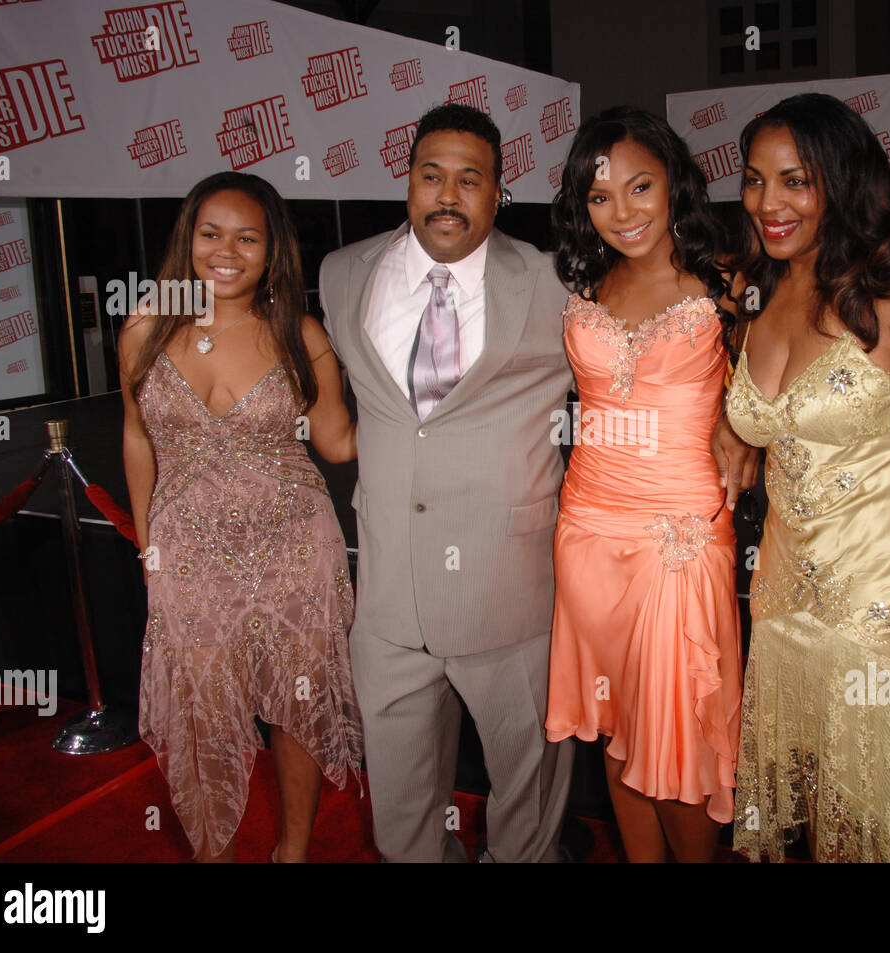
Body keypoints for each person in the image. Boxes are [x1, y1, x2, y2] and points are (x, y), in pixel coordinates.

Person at [318, 103, 757, 863]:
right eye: (431, 175)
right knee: (603, 737)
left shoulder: (556, 282)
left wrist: (744, 423)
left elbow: (780, 343)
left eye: (470, 179)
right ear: (407, 182)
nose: (447, 195)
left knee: (631, 757)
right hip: (417, 589)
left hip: (558, 573)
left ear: (499, 194)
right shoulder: (340, 275)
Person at [724, 93, 890, 862]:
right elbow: (759, 417)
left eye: (794, 181)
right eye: (753, 179)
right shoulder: (766, 288)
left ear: (842, 182)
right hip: (782, 610)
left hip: (889, 618)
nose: (767, 202)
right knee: (820, 827)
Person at [119, 171, 362, 862]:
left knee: (298, 703)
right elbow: (137, 435)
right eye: (211, 233)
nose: (227, 250)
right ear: (188, 239)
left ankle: (293, 850)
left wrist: (422, 412)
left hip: (294, 547)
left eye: (247, 237)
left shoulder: (298, 331)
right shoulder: (146, 324)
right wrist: (147, 542)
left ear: (271, 248)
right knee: (200, 712)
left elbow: (338, 441)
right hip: (187, 554)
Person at [544, 107, 750, 862]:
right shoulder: (584, 280)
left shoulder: (729, 283)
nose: (623, 213)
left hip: (681, 533)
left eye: (640, 188)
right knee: (618, 719)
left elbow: (779, 386)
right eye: (601, 196)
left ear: (675, 186)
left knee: (680, 725)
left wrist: (745, 431)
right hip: (589, 525)